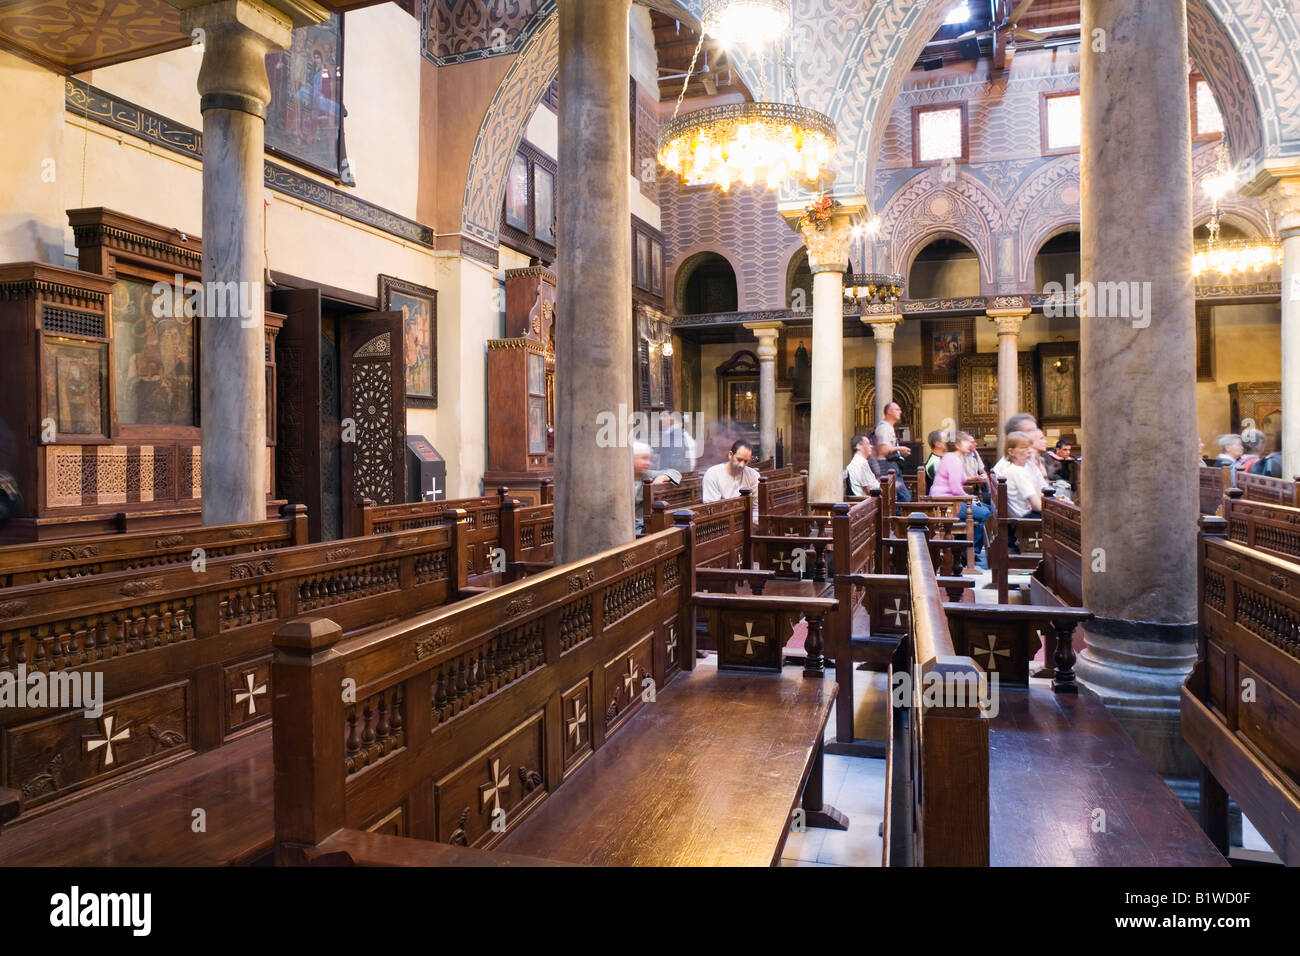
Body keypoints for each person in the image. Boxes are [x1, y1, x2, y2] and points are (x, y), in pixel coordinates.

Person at [931, 431, 993, 561]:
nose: (970, 444)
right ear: (958, 445)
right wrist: (971, 499)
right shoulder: (953, 460)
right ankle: (969, 551)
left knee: (989, 508)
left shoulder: (951, 457)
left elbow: (961, 480)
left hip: (952, 501)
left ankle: (963, 548)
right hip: (947, 504)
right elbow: (956, 489)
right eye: (966, 441)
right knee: (985, 513)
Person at [992, 430, 1043, 526]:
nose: (1029, 451)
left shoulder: (1014, 468)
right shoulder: (1017, 471)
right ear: (1011, 451)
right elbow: (1037, 506)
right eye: (1024, 448)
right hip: (1024, 520)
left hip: (1021, 517)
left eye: (1030, 447)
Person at [702, 439, 760, 521]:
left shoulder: (753, 475)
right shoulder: (713, 474)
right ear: (730, 455)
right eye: (739, 459)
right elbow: (711, 508)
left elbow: (756, 507)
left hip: (747, 521)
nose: (742, 465)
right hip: (721, 523)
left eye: (746, 461)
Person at [633, 441, 678, 535]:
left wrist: (662, 478)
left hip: (643, 528)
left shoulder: (647, 475)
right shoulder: (619, 478)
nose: (647, 463)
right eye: (643, 459)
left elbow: (674, 473)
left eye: (648, 459)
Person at [875, 401, 912, 502]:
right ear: (889, 412)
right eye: (897, 409)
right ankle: (894, 517)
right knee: (902, 497)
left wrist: (899, 452)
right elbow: (883, 450)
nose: (900, 412)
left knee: (899, 497)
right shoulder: (883, 428)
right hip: (887, 465)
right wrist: (899, 449)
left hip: (893, 465)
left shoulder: (889, 427)